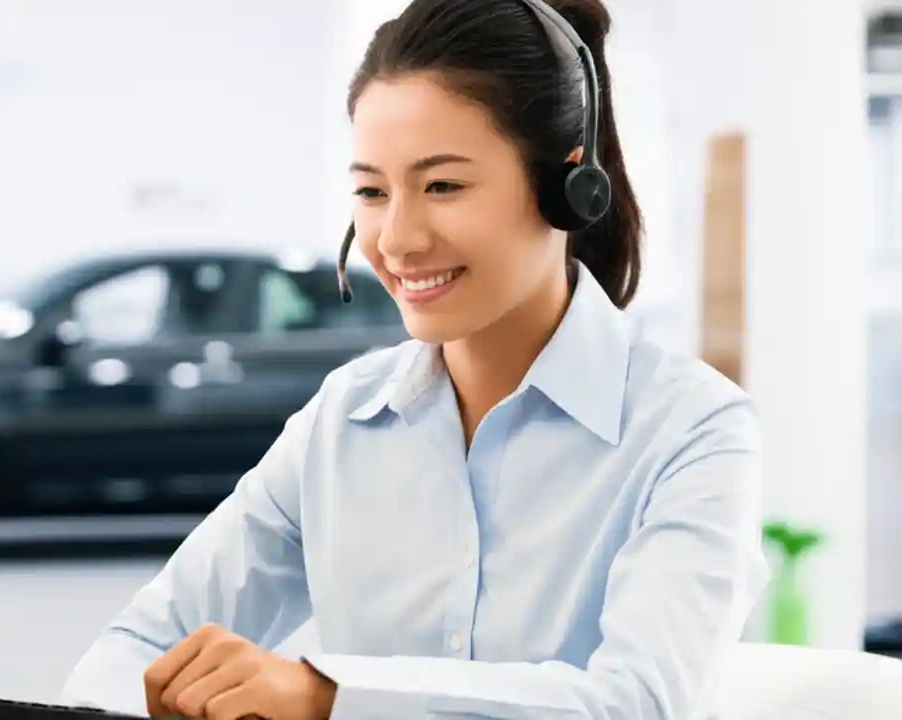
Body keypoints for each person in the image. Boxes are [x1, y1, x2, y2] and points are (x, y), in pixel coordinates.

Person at [61, 0, 769, 717]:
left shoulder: (690, 429)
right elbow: (131, 654)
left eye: (442, 186)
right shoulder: (343, 421)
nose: (396, 240)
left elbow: (638, 705)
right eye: (371, 191)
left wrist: (329, 699)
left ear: (569, 185)